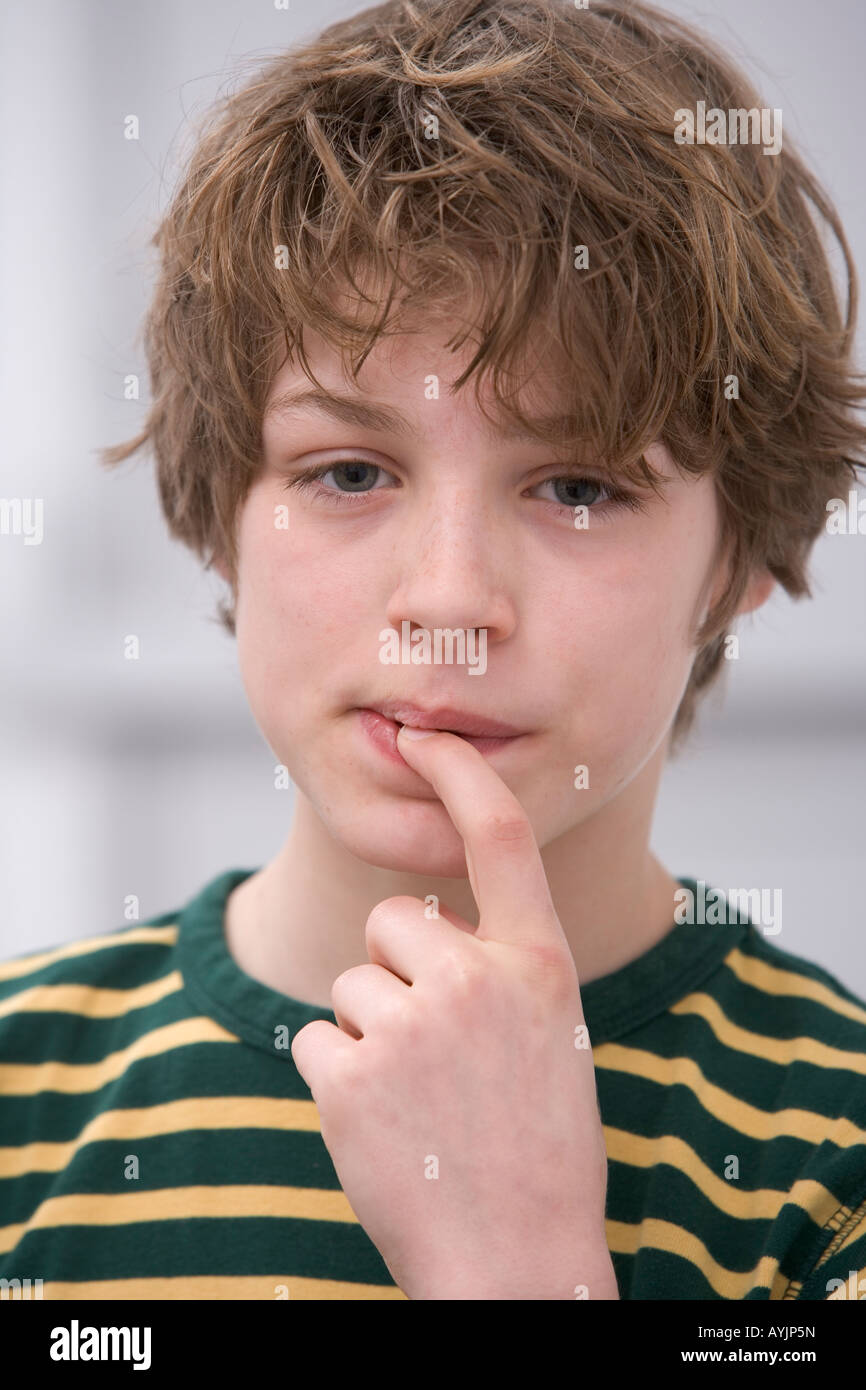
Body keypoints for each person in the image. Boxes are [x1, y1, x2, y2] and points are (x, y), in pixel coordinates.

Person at [2, 0, 865, 1301]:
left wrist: (515, 1263)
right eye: (346, 470)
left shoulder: (834, 1156)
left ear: (737, 562)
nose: (449, 598)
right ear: (218, 513)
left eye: (578, 488)